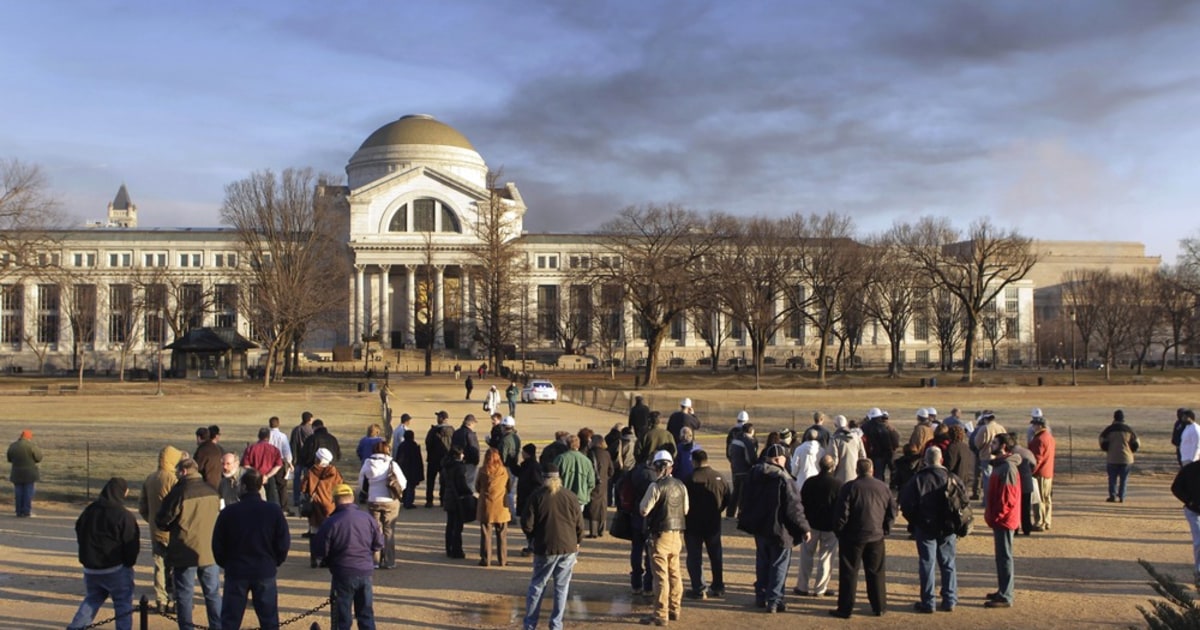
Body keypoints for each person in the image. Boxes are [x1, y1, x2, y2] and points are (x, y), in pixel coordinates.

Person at [212, 469, 290, 630]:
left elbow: (217, 544)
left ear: (244, 487)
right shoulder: (273, 511)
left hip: (236, 571)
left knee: (230, 621)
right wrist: (275, 561)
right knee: (269, 620)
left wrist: (226, 563)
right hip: (264, 569)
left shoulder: (229, 512)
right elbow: (283, 542)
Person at [738, 443, 810, 614]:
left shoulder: (753, 474)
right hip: (780, 529)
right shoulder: (784, 479)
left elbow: (745, 499)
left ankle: (761, 596)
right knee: (778, 565)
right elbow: (793, 508)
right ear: (779, 459)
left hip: (759, 528)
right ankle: (774, 600)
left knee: (763, 562)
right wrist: (804, 528)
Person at [155, 458, 222, 630]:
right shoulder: (212, 491)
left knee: (185, 595)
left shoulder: (180, 492)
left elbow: (162, 520)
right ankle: (218, 626)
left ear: (184, 471)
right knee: (213, 594)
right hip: (209, 550)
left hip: (184, 549)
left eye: (177, 472)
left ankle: (186, 628)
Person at [66, 477, 139, 630]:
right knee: (123, 602)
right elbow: (131, 543)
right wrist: (128, 563)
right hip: (115, 568)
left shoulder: (90, 510)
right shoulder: (123, 515)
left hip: (91, 568)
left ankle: (76, 627)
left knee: (92, 598)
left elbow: (79, 530)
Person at [830, 458, 896, 619]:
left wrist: (839, 531)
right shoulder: (883, 487)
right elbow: (892, 511)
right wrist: (885, 529)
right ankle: (879, 606)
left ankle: (845, 608)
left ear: (857, 471)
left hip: (852, 536)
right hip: (875, 535)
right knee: (876, 572)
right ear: (872, 470)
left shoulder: (850, 487)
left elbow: (842, 514)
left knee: (849, 573)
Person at [899, 446, 963, 614]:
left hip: (925, 526)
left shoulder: (918, 479)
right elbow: (963, 501)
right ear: (941, 460)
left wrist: (916, 521)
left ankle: (929, 602)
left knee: (927, 563)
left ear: (926, 461)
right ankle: (950, 599)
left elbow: (905, 504)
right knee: (948, 563)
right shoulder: (952, 477)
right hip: (948, 527)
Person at [522, 462, 584, 630]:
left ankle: (530, 625)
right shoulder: (570, 496)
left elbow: (527, 524)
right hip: (569, 547)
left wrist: (533, 539)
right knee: (561, 588)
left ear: (543, 478)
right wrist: (578, 541)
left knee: (538, 586)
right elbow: (579, 524)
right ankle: (556, 625)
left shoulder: (536, 496)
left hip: (546, 546)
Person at [313, 483, 384, 630]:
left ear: (335, 500)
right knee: (366, 614)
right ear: (352, 499)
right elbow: (378, 544)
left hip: (342, 573)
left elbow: (320, 551)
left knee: (342, 617)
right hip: (365, 571)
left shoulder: (330, 522)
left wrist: (327, 559)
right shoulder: (368, 518)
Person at [639, 450, 689, 626]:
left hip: (660, 535)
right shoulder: (681, 485)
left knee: (661, 576)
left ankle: (661, 613)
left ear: (657, 467)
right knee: (675, 573)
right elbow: (685, 510)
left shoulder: (656, 486)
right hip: (677, 534)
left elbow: (644, 509)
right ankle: (675, 608)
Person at [139, 445, 183, 614]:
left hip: (156, 530)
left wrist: (151, 521)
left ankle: (161, 601)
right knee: (177, 567)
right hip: (173, 531)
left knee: (159, 566)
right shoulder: (174, 479)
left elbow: (142, 507)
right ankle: (177, 601)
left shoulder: (150, 478)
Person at [682, 448, 728, 600]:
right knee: (716, 555)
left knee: (695, 557)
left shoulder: (689, 479)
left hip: (693, 524)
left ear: (694, 461)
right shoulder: (719, 477)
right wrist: (719, 510)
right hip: (713, 523)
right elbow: (728, 497)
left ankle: (699, 588)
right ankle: (718, 586)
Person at [795, 454, 841, 598]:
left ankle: (802, 586)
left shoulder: (810, 482)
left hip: (811, 525)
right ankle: (820, 588)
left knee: (806, 556)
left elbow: (801, 503)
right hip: (829, 526)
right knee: (826, 558)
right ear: (832, 467)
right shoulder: (838, 484)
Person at [984, 433, 1021, 608]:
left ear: (1004, 446)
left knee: (1005, 557)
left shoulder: (1007, 468)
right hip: (999, 518)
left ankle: (1006, 595)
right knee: (1000, 557)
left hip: (1004, 520)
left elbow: (1008, 497)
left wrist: (997, 516)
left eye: (995, 442)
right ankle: (1002, 590)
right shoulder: (1001, 466)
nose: (991, 444)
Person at [359, 441, 406, 569]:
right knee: (389, 531)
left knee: (375, 530)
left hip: (373, 499)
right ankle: (389, 561)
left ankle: (375, 561)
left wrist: (368, 491)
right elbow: (403, 482)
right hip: (390, 500)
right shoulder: (392, 464)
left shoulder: (368, 463)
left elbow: (361, 483)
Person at [476, 447, 511, 566]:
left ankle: (486, 559)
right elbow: (509, 487)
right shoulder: (504, 471)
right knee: (502, 535)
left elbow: (477, 486)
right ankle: (503, 559)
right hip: (501, 506)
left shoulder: (482, 471)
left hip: (486, 505)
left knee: (486, 534)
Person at [302, 448, 344, 544]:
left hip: (315, 507)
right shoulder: (335, 473)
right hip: (331, 506)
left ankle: (316, 557)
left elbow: (303, 488)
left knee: (315, 535)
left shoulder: (311, 471)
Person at [1099, 409, 1140, 502]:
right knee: (1124, 479)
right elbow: (1136, 443)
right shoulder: (1129, 429)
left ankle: (1112, 495)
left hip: (1112, 458)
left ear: (1114, 418)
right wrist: (1131, 451)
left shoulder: (1108, 430)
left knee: (1112, 479)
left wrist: (1107, 449)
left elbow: (1102, 441)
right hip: (1126, 459)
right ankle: (1122, 496)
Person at [1172, 458, 1200, 585]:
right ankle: (1199, 572)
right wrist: (1189, 501)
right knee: (1199, 540)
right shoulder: (1190, 469)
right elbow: (1176, 487)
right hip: (1194, 511)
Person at [442, 445, 473, 559]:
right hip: (457, 498)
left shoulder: (446, 466)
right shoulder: (459, 467)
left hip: (448, 496)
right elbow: (461, 484)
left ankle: (449, 548)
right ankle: (456, 550)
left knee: (450, 524)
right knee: (457, 525)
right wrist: (469, 493)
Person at [555, 434, 597, 513]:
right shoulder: (586, 461)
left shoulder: (560, 459)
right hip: (580, 499)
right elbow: (591, 482)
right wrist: (586, 494)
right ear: (579, 445)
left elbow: (553, 477)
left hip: (563, 498)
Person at [242, 427, 284, 504]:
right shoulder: (274, 449)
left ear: (258, 436)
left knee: (253, 498)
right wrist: (267, 476)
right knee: (272, 499)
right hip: (269, 477)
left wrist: (257, 474)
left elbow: (245, 465)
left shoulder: (251, 448)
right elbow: (278, 465)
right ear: (269, 437)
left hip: (254, 477)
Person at [1027, 417, 1054, 531]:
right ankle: (1047, 521)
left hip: (1039, 473)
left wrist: (1031, 471)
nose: (1032, 427)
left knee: (1039, 499)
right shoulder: (1049, 437)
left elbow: (1037, 459)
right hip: (1048, 472)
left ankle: (1040, 522)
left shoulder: (1039, 439)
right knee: (1047, 498)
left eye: (1034, 425)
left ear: (1039, 425)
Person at [7, 429, 42, 518]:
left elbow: (9, 458)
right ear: (29, 437)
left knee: (18, 492)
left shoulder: (13, 446)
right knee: (28, 493)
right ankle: (26, 511)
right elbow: (38, 458)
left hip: (16, 472)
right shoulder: (32, 446)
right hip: (29, 473)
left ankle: (19, 511)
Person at [517, 443, 544, 556]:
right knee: (527, 524)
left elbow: (537, 484)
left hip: (528, 499)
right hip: (525, 498)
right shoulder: (527, 465)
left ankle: (532, 546)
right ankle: (531, 545)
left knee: (530, 524)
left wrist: (532, 497)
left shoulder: (533, 467)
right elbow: (518, 473)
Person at [860, 408, 900, 484]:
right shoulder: (883, 427)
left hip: (868, 454)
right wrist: (890, 453)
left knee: (872, 473)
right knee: (879, 474)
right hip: (881, 455)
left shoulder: (864, 427)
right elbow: (887, 443)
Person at [727, 421, 757, 519]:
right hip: (744, 470)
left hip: (735, 469)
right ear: (751, 431)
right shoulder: (747, 442)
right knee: (743, 494)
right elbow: (750, 458)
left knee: (735, 492)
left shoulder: (735, 439)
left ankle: (730, 513)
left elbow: (729, 453)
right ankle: (741, 514)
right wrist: (754, 465)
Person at [424, 411, 454, 508]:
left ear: (441, 419)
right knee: (445, 480)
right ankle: (443, 500)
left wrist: (431, 452)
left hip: (433, 459)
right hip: (446, 459)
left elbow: (428, 443)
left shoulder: (433, 431)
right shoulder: (452, 431)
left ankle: (429, 500)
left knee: (431, 480)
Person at [587, 434, 614, 538]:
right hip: (604, 483)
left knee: (593, 506)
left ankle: (593, 531)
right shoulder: (606, 454)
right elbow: (611, 470)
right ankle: (601, 529)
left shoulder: (591, 453)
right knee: (603, 506)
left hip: (594, 482)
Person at [829, 415, 866, 486]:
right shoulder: (856, 437)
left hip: (840, 476)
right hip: (856, 474)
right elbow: (863, 456)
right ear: (846, 424)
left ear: (835, 425)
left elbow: (834, 459)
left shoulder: (834, 439)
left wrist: (831, 474)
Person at [290, 411, 316, 510]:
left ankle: (296, 499)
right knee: (307, 479)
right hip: (307, 459)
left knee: (296, 479)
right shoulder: (310, 430)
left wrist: (293, 458)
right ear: (309, 419)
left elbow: (292, 444)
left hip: (297, 458)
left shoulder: (296, 429)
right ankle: (307, 496)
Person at [267, 416, 293, 511]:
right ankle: (284, 507)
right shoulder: (282, 436)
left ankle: (270, 505)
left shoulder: (267, 435)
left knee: (270, 486)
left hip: (268, 462)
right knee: (282, 485)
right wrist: (290, 462)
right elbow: (286, 450)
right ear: (278, 424)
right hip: (280, 461)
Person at [395, 429, 424, 509]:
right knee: (411, 487)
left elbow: (398, 458)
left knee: (405, 486)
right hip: (412, 469)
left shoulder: (402, 446)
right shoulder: (414, 446)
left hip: (403, 469)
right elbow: (418, 460)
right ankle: (409, 502)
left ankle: (405, 500)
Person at [452, 414, 482, 486]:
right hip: (469, 462)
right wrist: (476, 461)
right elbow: (473, 449)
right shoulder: (470, 434)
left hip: (457, 462)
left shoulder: (456, 432)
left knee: (459, 482)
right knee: (469, 482)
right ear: (470, 423)